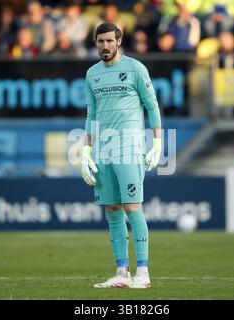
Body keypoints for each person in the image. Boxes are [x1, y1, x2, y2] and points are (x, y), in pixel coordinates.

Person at [81, 22, 162, 289]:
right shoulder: (92, 74)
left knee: (132, 209)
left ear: (119, 40)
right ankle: (121, 272)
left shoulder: (136, 69)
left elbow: (152, 105)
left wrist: (157, 143)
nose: (104, 46)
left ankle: (144, 273)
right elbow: (91, 115)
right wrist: (85, 151)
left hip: (129, 148)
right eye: (99, 41)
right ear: (95, 43)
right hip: (104, 151)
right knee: (113, 211)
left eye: (108, 41)